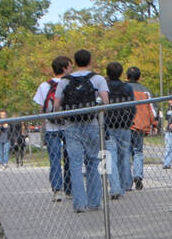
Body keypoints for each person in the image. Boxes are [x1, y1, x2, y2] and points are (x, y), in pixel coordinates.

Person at [55, 49, 110, 212]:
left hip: (71, 126)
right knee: (93, 161)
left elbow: (57, 105)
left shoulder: (64, 81)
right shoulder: (98, 79)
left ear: (75, 61)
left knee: (75, 164)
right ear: (90, 61)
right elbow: (106, 101)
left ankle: (79, 203)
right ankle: (94, 202)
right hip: (92, 123)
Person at [33, 55, 72, 201]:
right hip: (69, 126)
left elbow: (41, 108)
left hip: (51, 127)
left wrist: (44, 126)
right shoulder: (70, 84)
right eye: (70, 66)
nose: (71, 69)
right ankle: (70, 188)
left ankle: (57, 189)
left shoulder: (44, 86)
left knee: (54, 159)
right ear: (64, 68)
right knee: (70, 158)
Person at [103, 62, 135, 199]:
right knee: (124, 156)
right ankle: (126, 184)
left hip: (109, 125)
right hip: (124, 125)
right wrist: (129, 119)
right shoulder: (127, 87)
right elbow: (133, 106)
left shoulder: (104, 87)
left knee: (111, 158)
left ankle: (115, 187)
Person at [126, 67, 157, 190]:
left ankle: (127, 180)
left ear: (127, 76)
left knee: (126, 153)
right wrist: (154, 123)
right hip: (140, 125)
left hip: (126, 124)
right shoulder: (145, 91)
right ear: (139, 77)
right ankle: (138, 175)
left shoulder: (125, 89)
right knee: (138, 152)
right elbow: (152, 109)